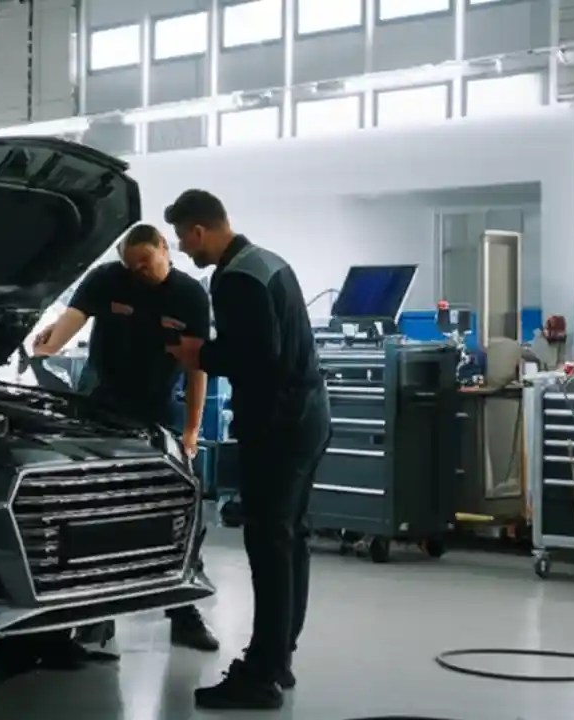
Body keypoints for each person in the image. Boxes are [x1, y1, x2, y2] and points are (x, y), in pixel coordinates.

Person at [163, 190, 330, 710]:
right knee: (290, 539)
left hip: (279, 423)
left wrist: (200, 353)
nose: (185, 252)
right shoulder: (269, 261)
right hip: (307, 414)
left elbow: (259, 356)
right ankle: (279, 659)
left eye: (183, 240)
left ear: (198, 230)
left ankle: (260, 674)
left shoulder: (233, 277)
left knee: (268, 543)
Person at [32, 223, 220, 653]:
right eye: (130, 264)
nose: (137, 271)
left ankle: (183, 610)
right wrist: (45, 348)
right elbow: (69, 323)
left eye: (145, 262)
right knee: (93, 510)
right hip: (102, 410)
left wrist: (192, 430)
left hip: (159, 413)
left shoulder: (189, 294)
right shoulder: (106, 279)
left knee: (176, 510)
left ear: (164, 251)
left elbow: (197, 368)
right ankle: (94, 616)